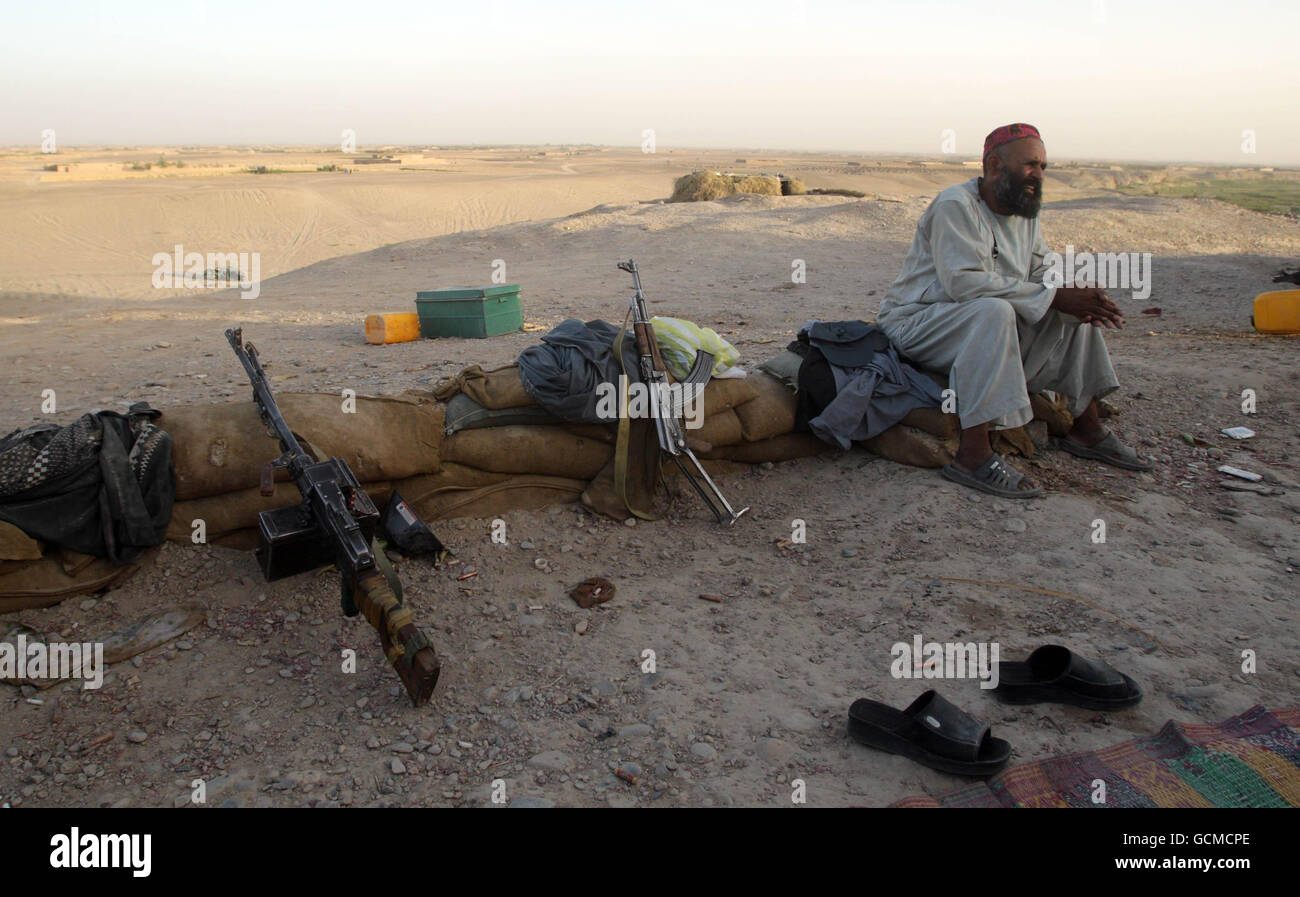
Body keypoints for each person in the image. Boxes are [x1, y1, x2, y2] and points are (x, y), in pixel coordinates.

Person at [877, 123, 1152, 498]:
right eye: (1029, 165)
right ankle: (972, 457)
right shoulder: (955, 206)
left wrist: (1074, 294)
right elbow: (963, 284)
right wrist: (1052, 296)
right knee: (994, 311)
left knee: (1075, 311)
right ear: (994, 165)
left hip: (973, 325)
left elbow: (1041, 267)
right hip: (918, 322)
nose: (1037, 175)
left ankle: (1085, 428)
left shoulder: (1025, 209)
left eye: (1042, 167)